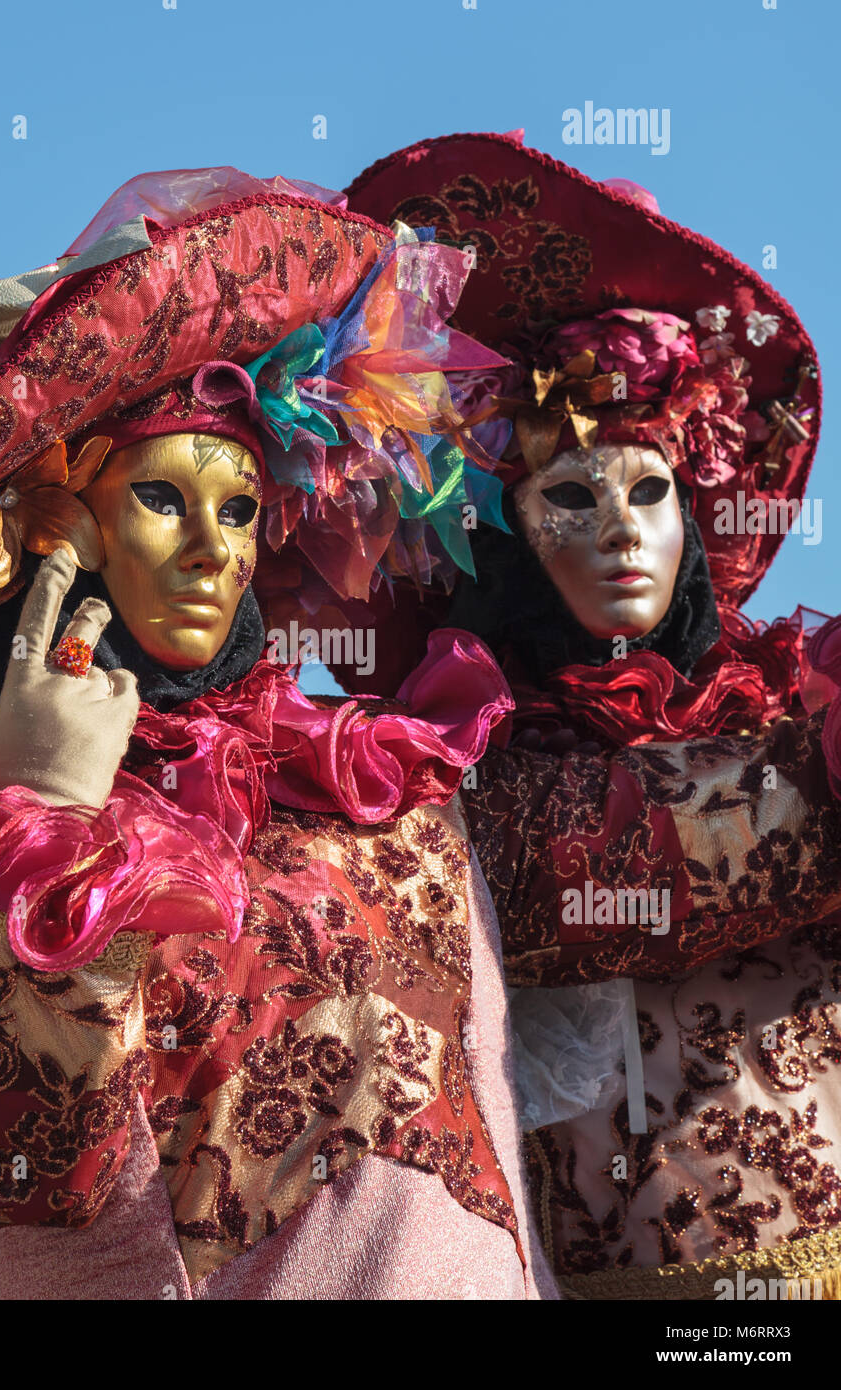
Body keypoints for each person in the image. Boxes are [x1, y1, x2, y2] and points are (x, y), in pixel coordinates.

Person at [0, 166, 565, 1300]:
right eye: (162, 498)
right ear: (67, 526)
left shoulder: (380, 793)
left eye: (241, 506)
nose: (214, 548)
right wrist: (33, 827)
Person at [346, 131, 841, 1298]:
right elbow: (624, 857)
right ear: (506, 532)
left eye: (651, 488)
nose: (621, 527)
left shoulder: (793, 711)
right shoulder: (448, 775)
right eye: (569, 493)